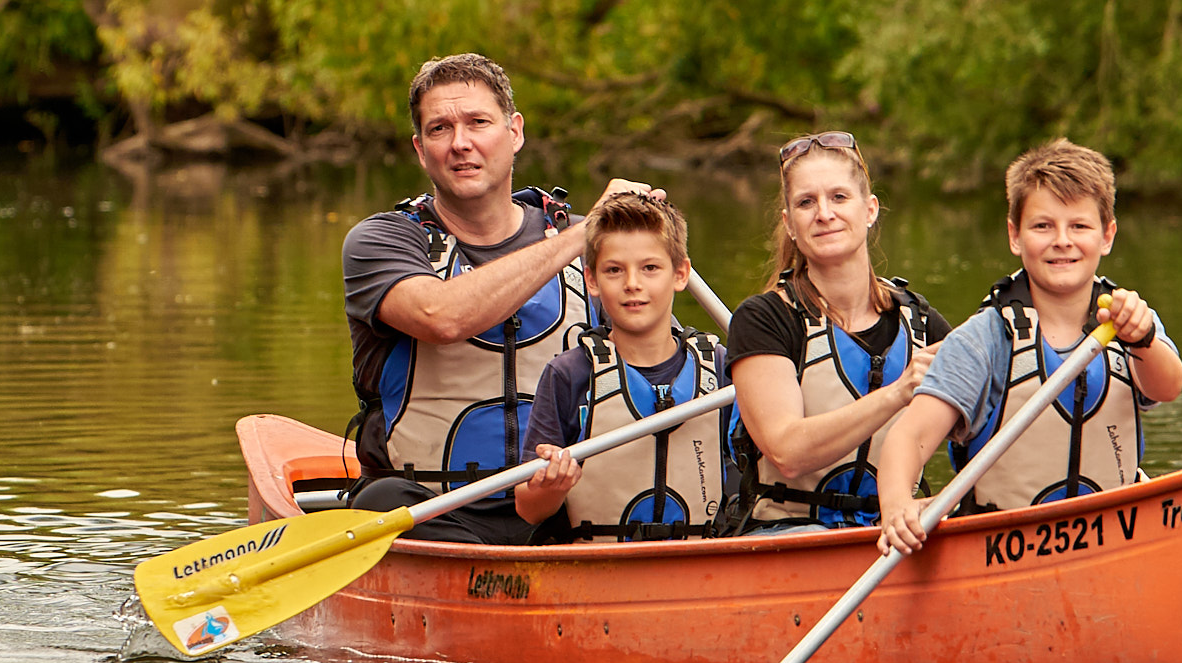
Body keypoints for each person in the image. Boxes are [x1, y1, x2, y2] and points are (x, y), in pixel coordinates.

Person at [342, 52, 660, 543]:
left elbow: (662, 362)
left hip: (564, 505)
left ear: (514, 132)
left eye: (478, 122)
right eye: (440, 129)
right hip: (427, 508)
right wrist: (585, 235)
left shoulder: (600, 246)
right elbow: (441, 317)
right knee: (380, 502)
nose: (460, 143)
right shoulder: (380, 241)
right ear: (421, 149)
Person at [875, 139, 1182, 555]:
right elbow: (909, 436)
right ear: (1015, 236)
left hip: (1114, 543)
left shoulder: (1129, 319)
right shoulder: (983, 339)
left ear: (1107, 236)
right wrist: (897, 507)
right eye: (1042, 226)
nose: (1062, 241)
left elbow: (1168, 387)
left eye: (1079, 226)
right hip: (1005, 551)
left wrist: (1143, 338)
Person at [719, 131, 952, 536]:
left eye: (839, 197)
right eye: (806, 203)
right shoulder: (762, 320)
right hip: (789, 534)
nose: (824, 214)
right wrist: (898, 392)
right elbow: (787, 451)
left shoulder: (921, 321)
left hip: (895, 528)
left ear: (870, 210)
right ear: (790, 225)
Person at [513, 194, 736, 542]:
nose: (632, 283)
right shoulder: (569, 374)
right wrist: (551, 488)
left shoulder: (720, 366)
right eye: (614, 270)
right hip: (599, 563)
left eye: (650, 268)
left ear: (680, 274)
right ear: (591, 280)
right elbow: (528, 508)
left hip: (698, 561)